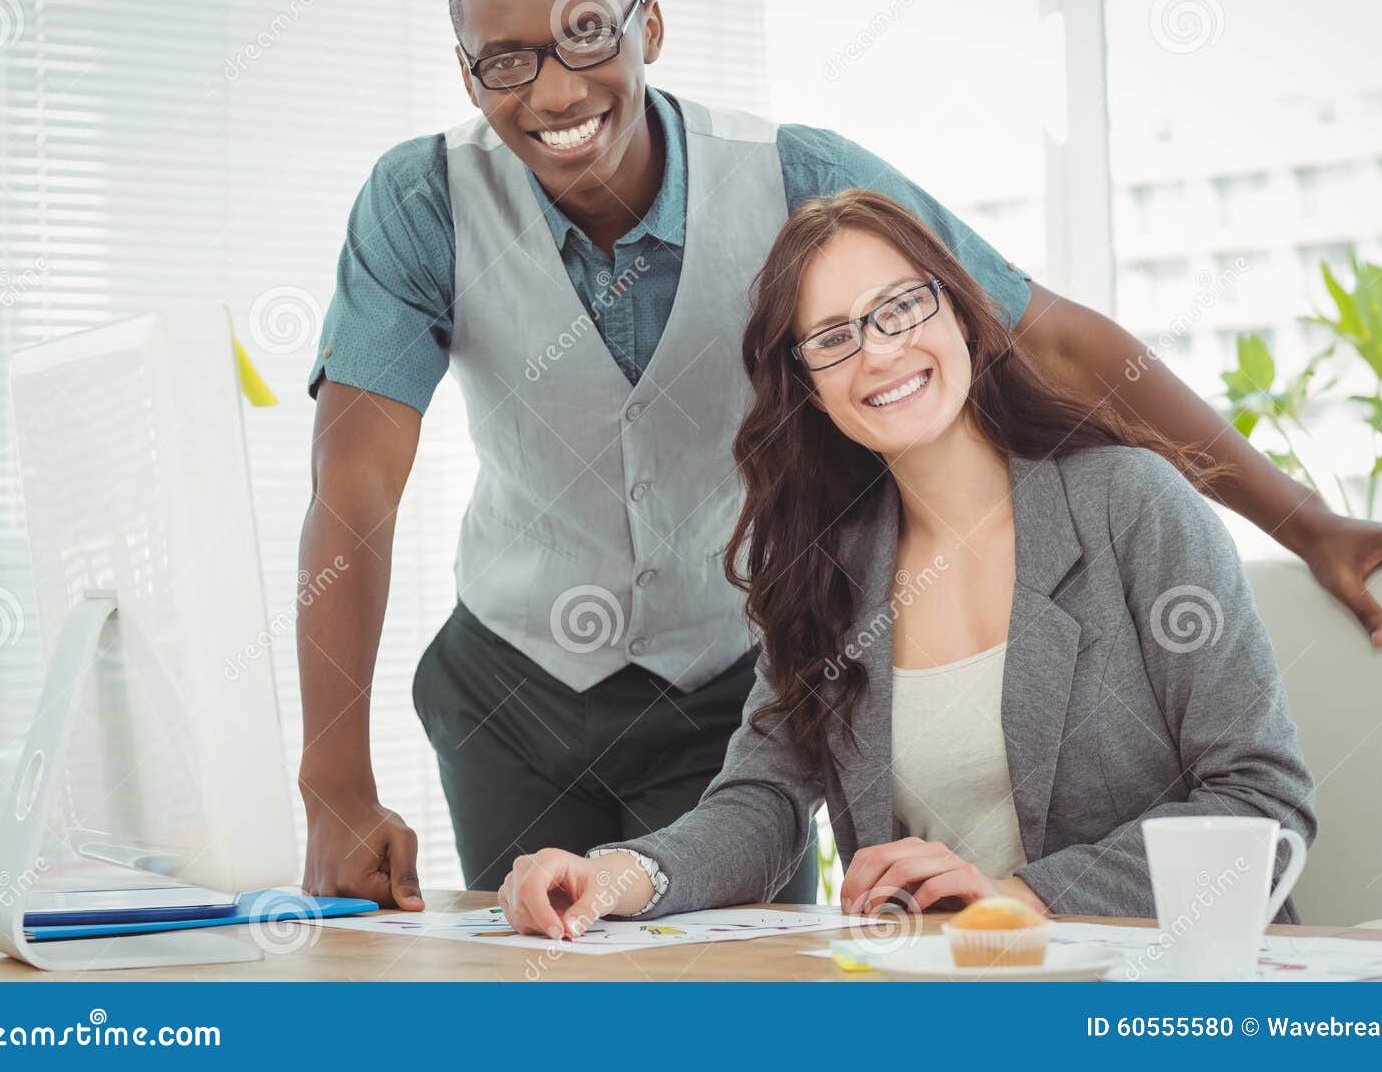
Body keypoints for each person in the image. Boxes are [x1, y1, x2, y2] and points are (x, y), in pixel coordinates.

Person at [298, 0, 1382, 913]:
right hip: (514, 671)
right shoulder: (828, 570)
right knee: (544, 987)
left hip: (733, 686)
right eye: (833, 336)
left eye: (585, 33)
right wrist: (345, 788)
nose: (553, 87)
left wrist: (1305, 519)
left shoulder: (1106, 501)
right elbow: (356, 489)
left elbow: (1058, 335)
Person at [496, 190, 1317, 935]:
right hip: (944, 1005)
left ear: (960, 312)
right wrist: (619, 873)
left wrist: (1020, 894)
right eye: (834, 338)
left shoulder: (1129, 503)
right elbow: (765, 799)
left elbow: (1261, 805)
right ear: (809, 385)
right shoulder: (827, 569)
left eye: (899, 308)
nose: (880, 353)